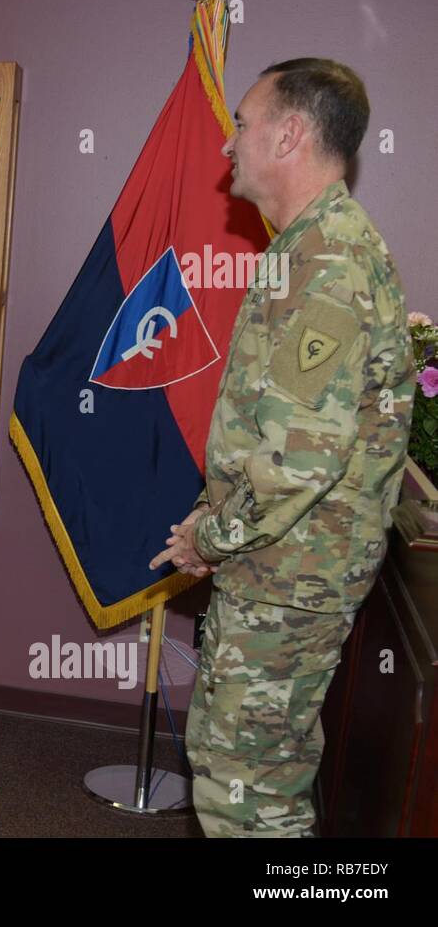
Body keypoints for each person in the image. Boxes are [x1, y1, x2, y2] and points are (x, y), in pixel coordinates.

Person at [149, 59, 414, 837]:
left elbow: (302, 458)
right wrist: (219, 526)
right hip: (278, 565)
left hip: (291, 574)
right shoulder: (309, 245)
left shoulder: (329, 260)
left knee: (247, 795)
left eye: (243, 122)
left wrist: (212, 535)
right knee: (247, 768)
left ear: (289, 132)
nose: (230, 145)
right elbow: (266, 428)